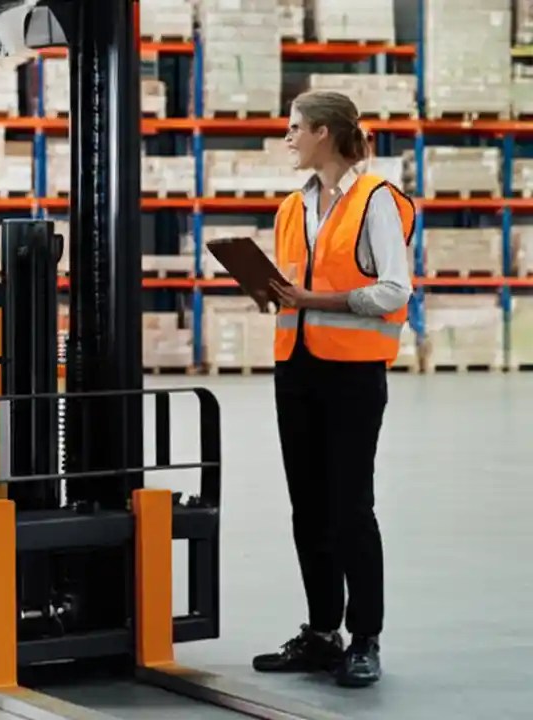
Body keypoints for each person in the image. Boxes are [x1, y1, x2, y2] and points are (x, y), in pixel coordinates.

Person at [252, 90, 415, 688]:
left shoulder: (376, 200)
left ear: (323, 132)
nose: (288, 138)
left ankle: (365, 636)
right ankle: (323, 633)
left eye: (295, 128)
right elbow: (295, 286)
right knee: (309, 509)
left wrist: (313, 300)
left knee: (350, 507)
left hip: (352, 373)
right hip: (295, 369)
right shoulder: (292, 207)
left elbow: (394, 289)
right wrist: (271, 292)